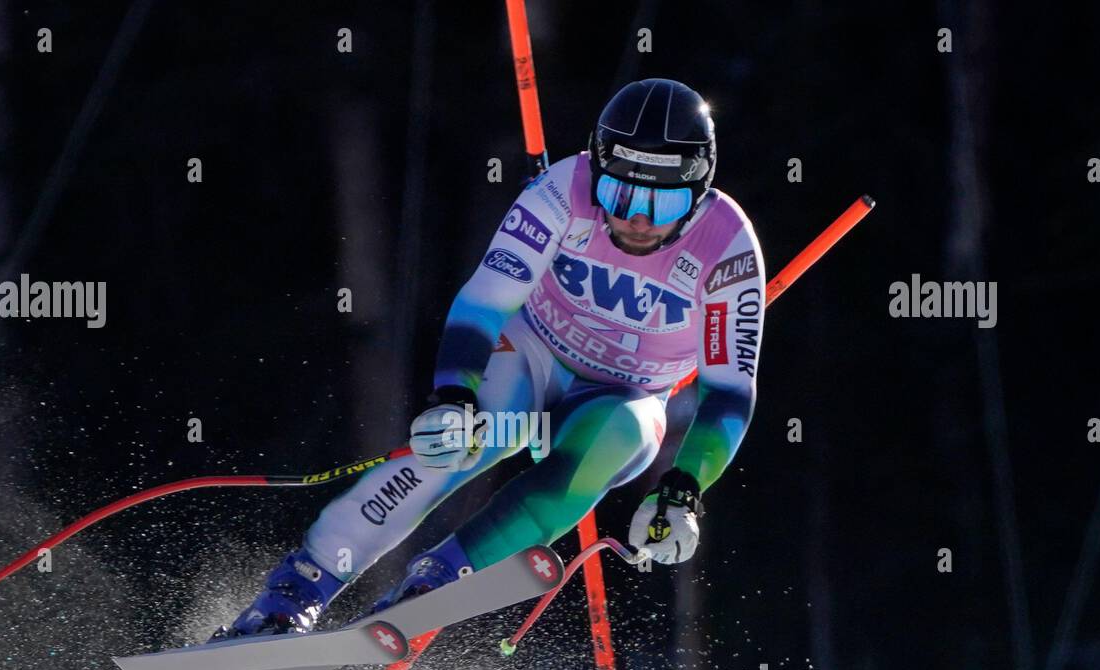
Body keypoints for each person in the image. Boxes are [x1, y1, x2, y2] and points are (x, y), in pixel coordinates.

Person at [215, 77, 766, 641]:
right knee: (458, 440)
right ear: (597, 171)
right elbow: (484, 301)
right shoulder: (562, 190)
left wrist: (682, 490)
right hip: (534, 355)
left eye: (663, 201)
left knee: (614, 439)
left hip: (629, 396)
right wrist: (454, 397)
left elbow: (728, 394)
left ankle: (435, 582)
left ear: (698, 192)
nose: (639, 219)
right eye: (620, 195)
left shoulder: (728, 248)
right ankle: (296, 592)